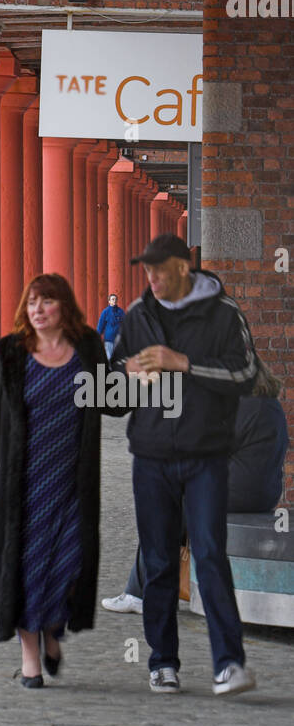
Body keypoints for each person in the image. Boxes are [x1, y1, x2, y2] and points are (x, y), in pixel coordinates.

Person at [108, 232, 259, 696]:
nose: (151, 279)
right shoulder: (137, 317)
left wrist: (184, 364)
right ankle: (162, 662)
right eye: (147, 271)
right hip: (150, 457)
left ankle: (228, 664)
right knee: (156, 559)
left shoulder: (224, 313)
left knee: (210, 554)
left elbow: (247, 375)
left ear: (183, 269)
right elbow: (111, 401)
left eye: (159, 270)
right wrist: (124, 375)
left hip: (205, 456)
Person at [0, 272, 113, 688]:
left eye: (47, 302)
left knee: (68, 566)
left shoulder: (87, 348)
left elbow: (110, 402)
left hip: (72, 481)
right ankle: (30, 654)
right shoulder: (10, 354)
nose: (37, 310)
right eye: (31, 302)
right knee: (26, 570)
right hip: (23, 484)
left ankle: (53, 631)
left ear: (64, 306)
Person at [102, 394, 290, 614]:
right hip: (265, 494)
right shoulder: (270, 405)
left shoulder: (245, 405)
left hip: (235, 493)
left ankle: (140, 595)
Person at [97, 293, 124, 359]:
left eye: (115, 299)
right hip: (108, 339)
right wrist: (97, 336)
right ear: (109, 301)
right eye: (112, 299)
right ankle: (102, 369)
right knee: (108, 357)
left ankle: (112, 369)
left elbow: (125, 324)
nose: (114, 301)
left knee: (117, 359)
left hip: (118, 340)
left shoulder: (120, 312)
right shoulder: (105, 312)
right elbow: (101, 325)